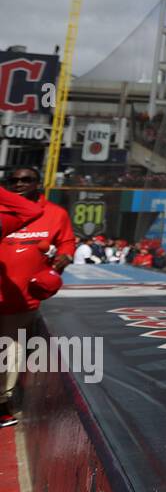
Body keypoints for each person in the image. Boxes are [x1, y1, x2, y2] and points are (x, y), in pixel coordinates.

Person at [0, 167, 75, 427]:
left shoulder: (54, 214)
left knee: (10, 348)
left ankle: (3, 401)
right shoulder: (5, 213)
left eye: (26, 180)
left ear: (38, 183)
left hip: (23, 296)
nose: (19, 184)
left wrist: (63, 259)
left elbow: (67, 243)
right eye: (14, 180)